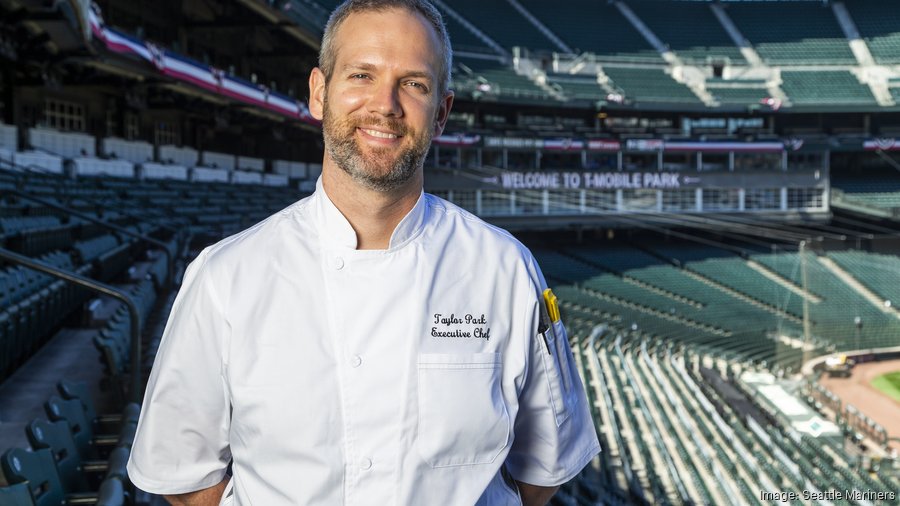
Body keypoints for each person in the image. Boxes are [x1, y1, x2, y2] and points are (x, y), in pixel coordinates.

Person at [126, 1, 600, 504]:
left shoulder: (506, 270)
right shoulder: (224, 277)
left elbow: (543, 471)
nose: (385, 105)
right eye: (361, 75)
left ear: (441, 113)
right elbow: (183, 475)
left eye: (414, 84)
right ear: (318, 92)